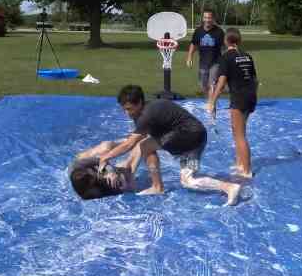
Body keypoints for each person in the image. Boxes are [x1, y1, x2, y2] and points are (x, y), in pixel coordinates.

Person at [97, 85, 242, 206]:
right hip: (195, 141)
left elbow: (130, 144)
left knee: (145, 145)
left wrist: (105, 157)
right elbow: (138, 143)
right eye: (124, 109)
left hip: (187, 136)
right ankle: (229, 187)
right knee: (188, 181)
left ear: (140, 102)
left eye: (129, 109)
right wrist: (130, 168)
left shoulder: (146, 115)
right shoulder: (145, 110)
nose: (127, 113)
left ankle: (157, 186)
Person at [207, 28, 258, 179]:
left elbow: (221, 82)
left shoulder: (226, 58)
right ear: (239, 40)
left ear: (225, 41)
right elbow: (255, 80)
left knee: (240, 135)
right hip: (250, 96)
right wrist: (252, 95)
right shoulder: (247, 56)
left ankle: (246, 170)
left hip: (239, 98)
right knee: (238, 132)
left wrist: (212, 101)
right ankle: (240, 164)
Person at [69, 139, 157, 200]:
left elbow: (101, 160)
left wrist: (111, 172)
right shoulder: (92, 192)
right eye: (95, 176)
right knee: (127, 178)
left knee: (106, 147)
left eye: (94, 173)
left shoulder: (77, 165)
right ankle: (140, 145)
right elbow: (120, 188)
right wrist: (125, 185)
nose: (97, 175)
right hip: (92, 184)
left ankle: (129, 141)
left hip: (86, 159)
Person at [185, 10, 225, 98]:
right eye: (205, 17)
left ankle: (211, 102)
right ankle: (209, 99)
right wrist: (189, 57)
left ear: (213, 19)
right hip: (203, 63)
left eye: (209, 18)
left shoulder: (219, 32)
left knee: (212, 84)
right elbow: (193, 44)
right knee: (203, 85)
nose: (207, 20)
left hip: (216, 63)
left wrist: (225, 61)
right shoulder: (198, 31)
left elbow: (223, 47)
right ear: (203, 18)